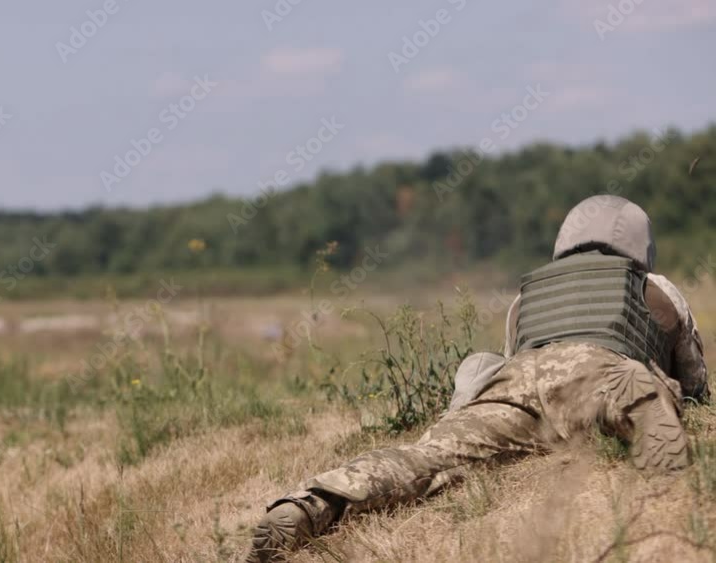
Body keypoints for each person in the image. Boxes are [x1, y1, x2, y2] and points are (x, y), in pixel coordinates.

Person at [246, 195, 709, 562]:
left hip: (517, 382)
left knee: (430, 458)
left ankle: (314, 503)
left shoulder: (526, 297)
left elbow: (513, 356)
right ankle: (649, 434)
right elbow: (695, 379)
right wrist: (688, 396)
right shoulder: (656, 286)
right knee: (643, 387)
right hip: (602, 368)